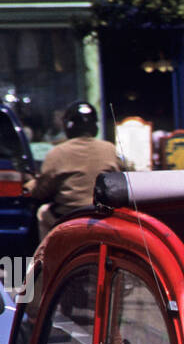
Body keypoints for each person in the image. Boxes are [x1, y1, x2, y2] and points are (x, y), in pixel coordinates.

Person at [23, 101, 121, 241]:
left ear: (68, 126)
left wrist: (31, 185)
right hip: (102, 214)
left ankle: (45, 260)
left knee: (42, 213)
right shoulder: (110, 149)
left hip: (69, 216)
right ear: (95, 126)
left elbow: (41, 191)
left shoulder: (57, 153)